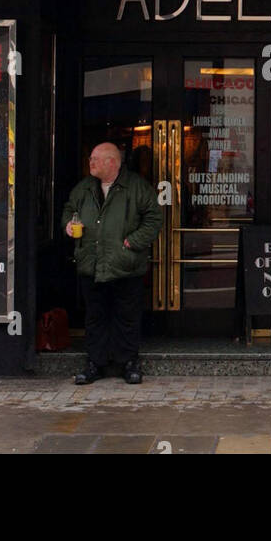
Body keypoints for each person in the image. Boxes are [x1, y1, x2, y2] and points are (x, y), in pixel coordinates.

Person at [62, 142, 163, 385]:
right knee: (95, 316)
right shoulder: (84, 187)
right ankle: (95, 363)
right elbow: (69, 210)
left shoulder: (137, 187)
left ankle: (128, 363)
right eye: (91, 158)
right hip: (92, 263)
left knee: (126, 316)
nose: (91, 162)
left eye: (96, 159)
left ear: (113, 163)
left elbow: (154, 218)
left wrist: (132, 243)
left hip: (125, 265)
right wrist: (67, 225)